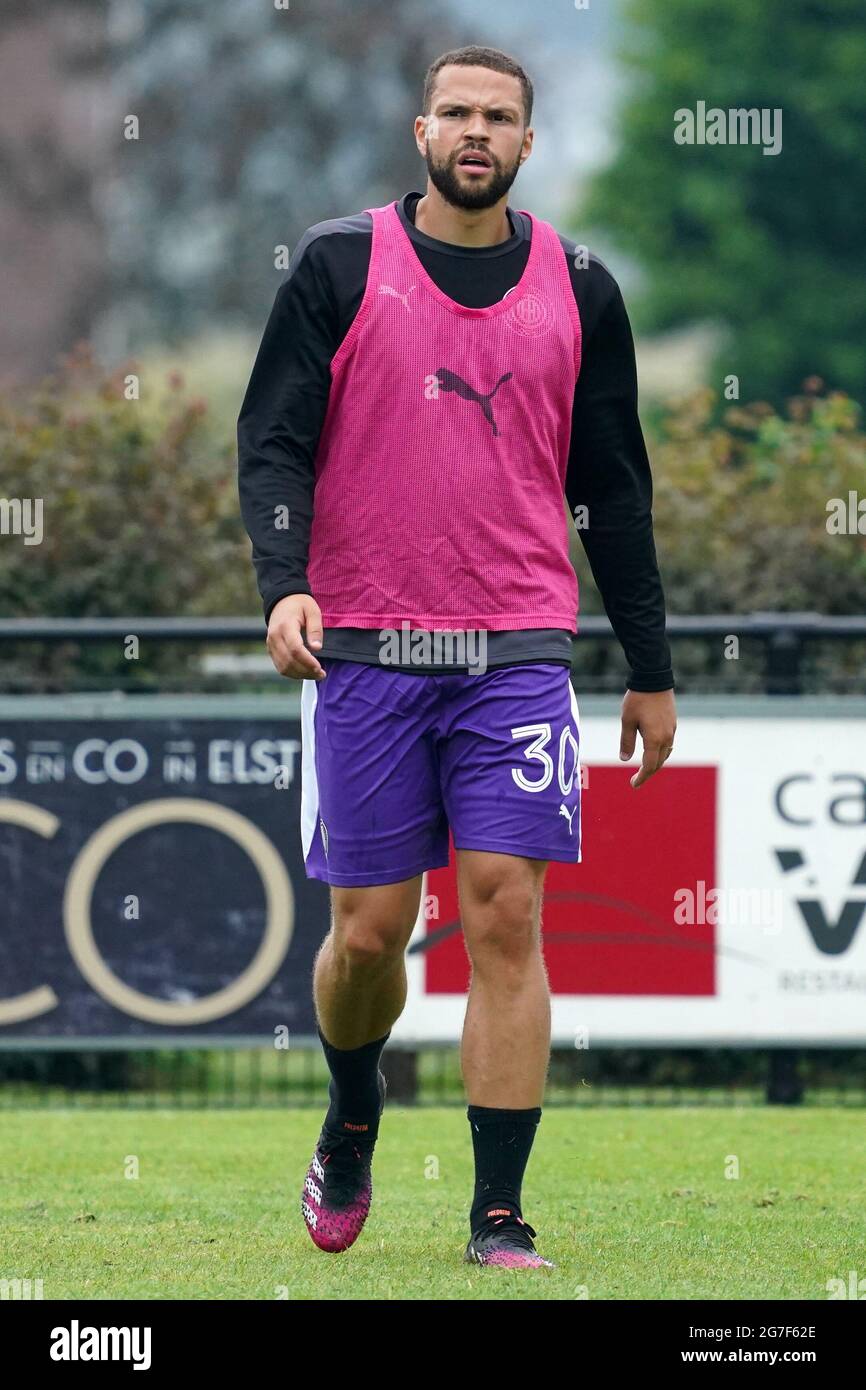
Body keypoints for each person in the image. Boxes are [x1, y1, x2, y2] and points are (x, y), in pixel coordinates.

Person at [238, 44, 677, 1271]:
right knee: (368, 935)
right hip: (368, 649)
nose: (475, 132)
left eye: (499, 117)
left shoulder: (582, 287)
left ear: (526, 145)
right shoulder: (335, 265)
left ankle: (497, 1214)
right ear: (419, 130)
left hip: (518, 651)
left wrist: (648, 664)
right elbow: (270, 443)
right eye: (456, 113)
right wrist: (285, 588)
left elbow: (613, 491)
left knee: (504, 917)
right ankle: (352, 1109)